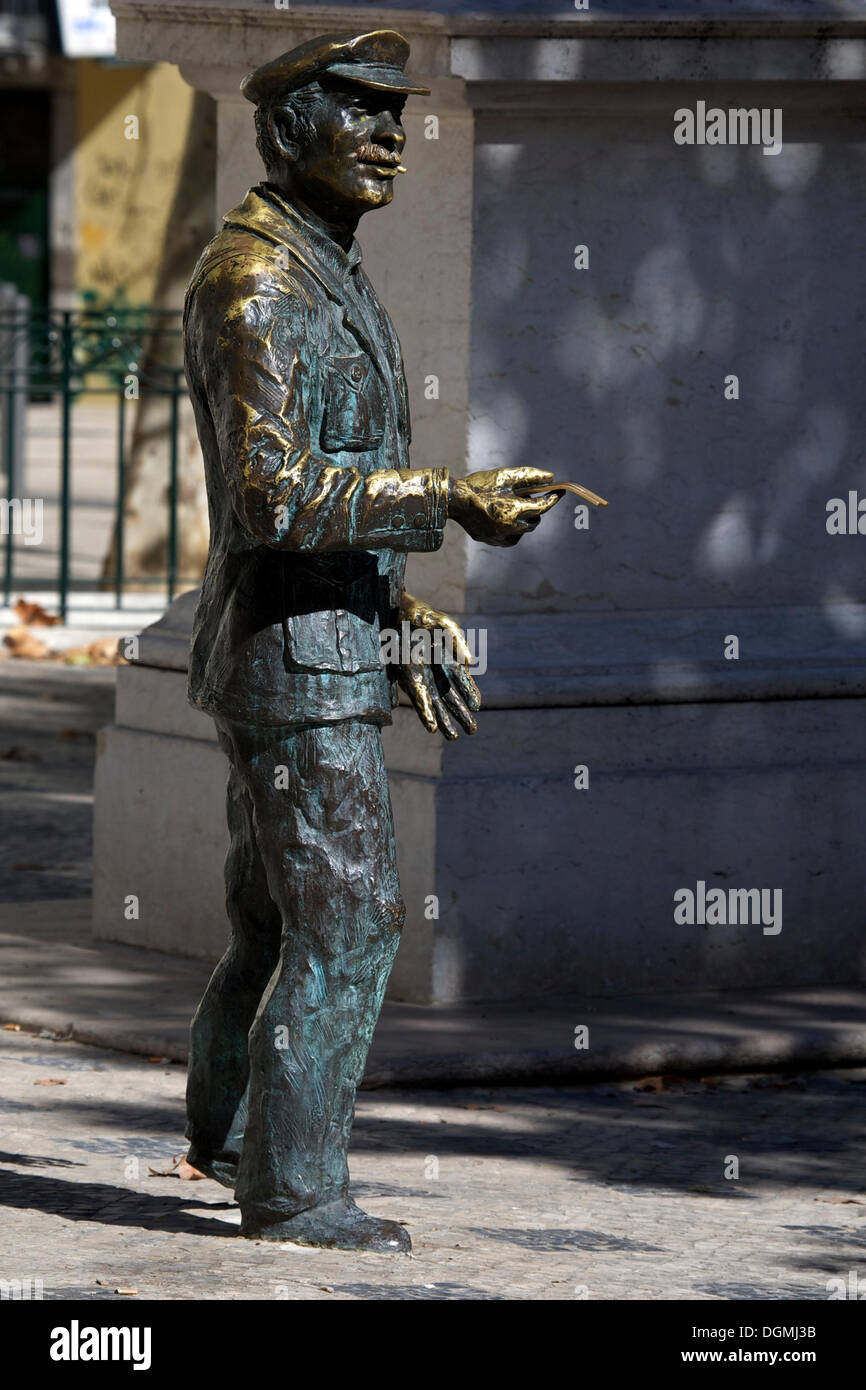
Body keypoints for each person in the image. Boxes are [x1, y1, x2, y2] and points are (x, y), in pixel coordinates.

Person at [181, 28, 558, 1251]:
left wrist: (396, 609)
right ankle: (294, 1191)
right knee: (349, 920)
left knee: (270, 918)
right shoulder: (261, 284)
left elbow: (321, 482)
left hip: (313, 642)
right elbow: (273, 497)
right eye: (358, 109)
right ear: (289, 129)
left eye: (397, 110)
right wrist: (444, 498)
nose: (391, 130)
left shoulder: (323, 265)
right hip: (293, 663)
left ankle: (234, 1134)